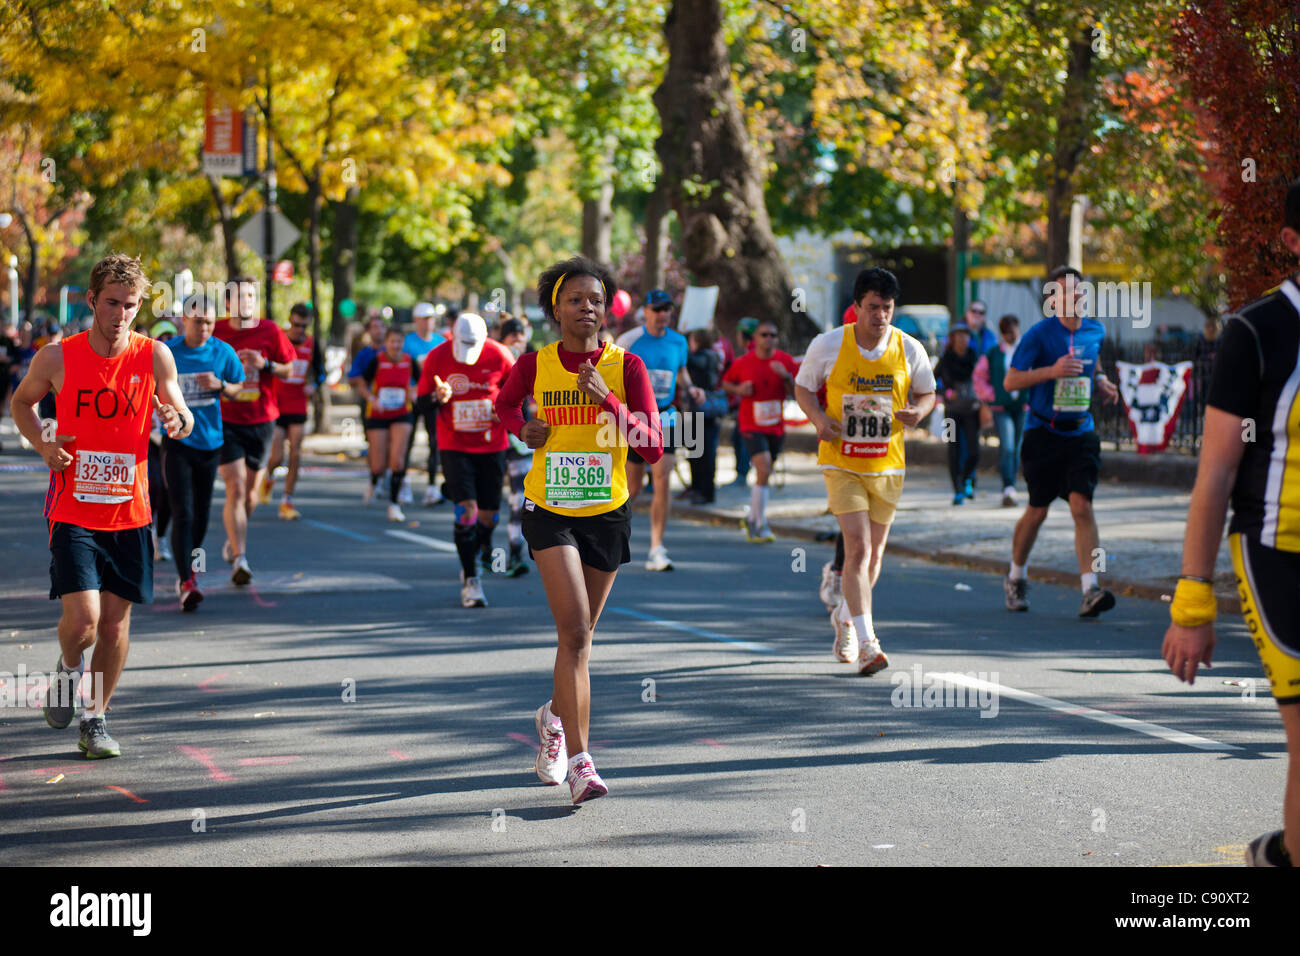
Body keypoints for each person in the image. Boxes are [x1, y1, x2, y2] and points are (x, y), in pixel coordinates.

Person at [1163, 181, 1300, 867]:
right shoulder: (1259, 333)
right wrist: (1194, 599)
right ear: (1292, 242)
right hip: (1279, 553)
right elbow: (1214, 474)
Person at [9, 253, 193, 758]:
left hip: (131, 509)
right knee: (85, 620)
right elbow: (21, 403)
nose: (120, 314)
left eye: (130, 305)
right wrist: (43, 445)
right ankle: (68, 671)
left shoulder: (154, 355)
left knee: (114, 625)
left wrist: (178, 421)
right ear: (92, 300)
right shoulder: (57, 357)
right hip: (73, 507)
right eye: (111, 302)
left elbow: (180, 407)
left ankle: (95, 718)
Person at [495, 256, 663, 804]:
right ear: (555, 309)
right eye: (575, 299)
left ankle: (552, 718)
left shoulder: (627, 368)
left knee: (580, 638)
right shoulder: (535, 364)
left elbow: (653, 447)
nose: (587, 307)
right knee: (574, 632)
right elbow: (503, 404)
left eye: (596, 299)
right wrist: (526, 428)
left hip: (607, 511)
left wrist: (608, 402)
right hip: (551, 508)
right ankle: (582, 764)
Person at [795, 267, 935, 675]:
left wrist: (918, 413)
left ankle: (844, 614)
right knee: (856, 548)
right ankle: (869, 643)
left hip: (887, 464)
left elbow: (928, 392)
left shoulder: (909, 349)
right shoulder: (828, 345)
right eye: (873, 308)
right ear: (855, 307)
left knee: (874, 557)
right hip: (842, 460)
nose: (880, 316)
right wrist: (819, 420)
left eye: (887, 308)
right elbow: (802, 388)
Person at [1002, 266, 1121, 617]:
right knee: (1037, 510)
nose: (1077, 297)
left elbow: (1092, 362)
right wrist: (1051, 372)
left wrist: (1099, 379)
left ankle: (1090, 589)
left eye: (1080, 291)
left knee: (1081, 506)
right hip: (1042, 433)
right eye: (1068, 292)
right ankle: (1016, 577)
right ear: (1053, 299)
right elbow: (1010, 382)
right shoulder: (1039, 335)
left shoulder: (1095, 329)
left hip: (1080, 432)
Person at [417, 312, 515, 607]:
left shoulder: (500, 355)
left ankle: (481, 544)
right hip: (454, 445)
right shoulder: (437, 357)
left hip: (492, 445)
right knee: (466, 511)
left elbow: (518, 394)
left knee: (488, 516)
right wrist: (437, 397)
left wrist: (506, 410)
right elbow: (420, 403)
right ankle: (471, 580)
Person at [163, 291, 246, 610]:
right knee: (182, 510)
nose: (205, 329)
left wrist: (221, 386)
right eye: (198, 322)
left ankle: (187, 570)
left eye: (210, 323)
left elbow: (239, 388)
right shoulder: (168, 352)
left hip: (211, 441)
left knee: (201, 513)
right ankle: (186, 580)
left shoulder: (223, 352)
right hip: (176, 441)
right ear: (184, 321)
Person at [213, 276, 295, 585]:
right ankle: (240, 558)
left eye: (251, 296)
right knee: (234, 487)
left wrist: (266, 365)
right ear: (229, 303)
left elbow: (290, 368)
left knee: (249, 494)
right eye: (240, 296)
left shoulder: (270, 330)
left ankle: (235, 538)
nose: (247, 301)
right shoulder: (217, 331)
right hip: (226, 419)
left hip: (262, 419)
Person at [620, 288, 703, 571]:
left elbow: (680, 372)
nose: (663, 314)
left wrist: (692, 388)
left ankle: (657, 547)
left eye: (667, 308)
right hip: (635, 419)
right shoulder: (629, 341)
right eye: (657, 309)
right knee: (633, 488)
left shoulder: (679, 342)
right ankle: (610, 534)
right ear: (645, 311)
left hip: (666, 417)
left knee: (663, 479)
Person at [722, 319, 798, 539]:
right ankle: (761, 523)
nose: (768, 339)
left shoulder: (785, 361)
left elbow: (796, 392)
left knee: (764, 473)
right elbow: (726, 383)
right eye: (764, 335)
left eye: (773, 335)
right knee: (763, 468)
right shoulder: (744, 362)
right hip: (750, 423)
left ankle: (753, 519)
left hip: (775, 426)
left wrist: (786, 376)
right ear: (754, 338)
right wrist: (739, 389)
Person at [260, 303, 319, 520]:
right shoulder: (279, 339)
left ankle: (287, 500)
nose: (299, 330)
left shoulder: (312, 344)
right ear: (290, 321)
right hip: (277, 403)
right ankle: (267, 476)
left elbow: (320, 371)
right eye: (295, 324)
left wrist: (315, 384)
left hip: (298, 404)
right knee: (277, 456)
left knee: (296, 453)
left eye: (303, 326)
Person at [357, 325, 419, 520]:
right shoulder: (377, 361)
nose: (395, 345)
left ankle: (393, 505)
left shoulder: (410, 361)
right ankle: (374, 480)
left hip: (402, 413)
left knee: (398, 461)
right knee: (378, 465)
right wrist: (371, 399)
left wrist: (414, 392)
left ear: (403, 343)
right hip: (378, 414)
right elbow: (361, 383)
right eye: (392, 341)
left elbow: (420, 381)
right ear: (386, 343)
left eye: (399, 341)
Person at [974, 314, 1026, 507]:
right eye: (1006, 334)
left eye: (1013, 332)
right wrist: (991, 395)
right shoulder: (994, 353)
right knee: (1007, 445)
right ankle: (1008, 487)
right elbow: (979, 376)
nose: (1010, 337)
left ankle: (1012, 483)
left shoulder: (1026, 350)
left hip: (1022, 405)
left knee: (1018, 447)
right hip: (1001, 406)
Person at [497, 315, 535, 576]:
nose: (518, 344)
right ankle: (481, 549)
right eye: (513, 339)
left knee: (518, 500)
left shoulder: (533, 363)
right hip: (491, 440)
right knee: (485, 501)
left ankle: (514, 555)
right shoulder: (495, 361)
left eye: (522, 339)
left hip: (519, 442)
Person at [934, 323, 981, 505]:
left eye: (966, 336)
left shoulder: (974, 358)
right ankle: (958, 489)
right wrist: (945, 392)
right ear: (952, 339)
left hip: (971, 410)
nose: (963, 339)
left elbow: (984, 378)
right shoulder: (946, 359)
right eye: (959, 336)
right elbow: (933, 379)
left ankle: (968, 478)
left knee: (974, 450)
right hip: (952, 411)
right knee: (954, 449)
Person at [404, 302, 445, 507]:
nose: (428, 322)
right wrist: (409, 388)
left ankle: (431, 487)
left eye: (431, 318)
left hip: (431, 399)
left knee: (434, 442)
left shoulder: (440, 342)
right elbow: (401, 369)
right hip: (412, 399)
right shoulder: (407, 343)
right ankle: (403, 483)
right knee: (407, 441)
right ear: (416, 320)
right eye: (424, 318)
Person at [146, 319, 177, 561]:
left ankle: (161, 537)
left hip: (168, 438)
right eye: (161, 338)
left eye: (171, 338)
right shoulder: (142, 364)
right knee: (153, 485)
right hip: (145, 439)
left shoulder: (177, 367)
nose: (166, 343)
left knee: (167, 489)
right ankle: (146, 531)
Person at [683, 327, 723, 505]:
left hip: (700, 411)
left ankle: (703, 491)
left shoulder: (703, 357)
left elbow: (686, 360)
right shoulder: (714, 356)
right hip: (705, 412)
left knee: (701, 455)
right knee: (701, 453)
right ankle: (701, 489)